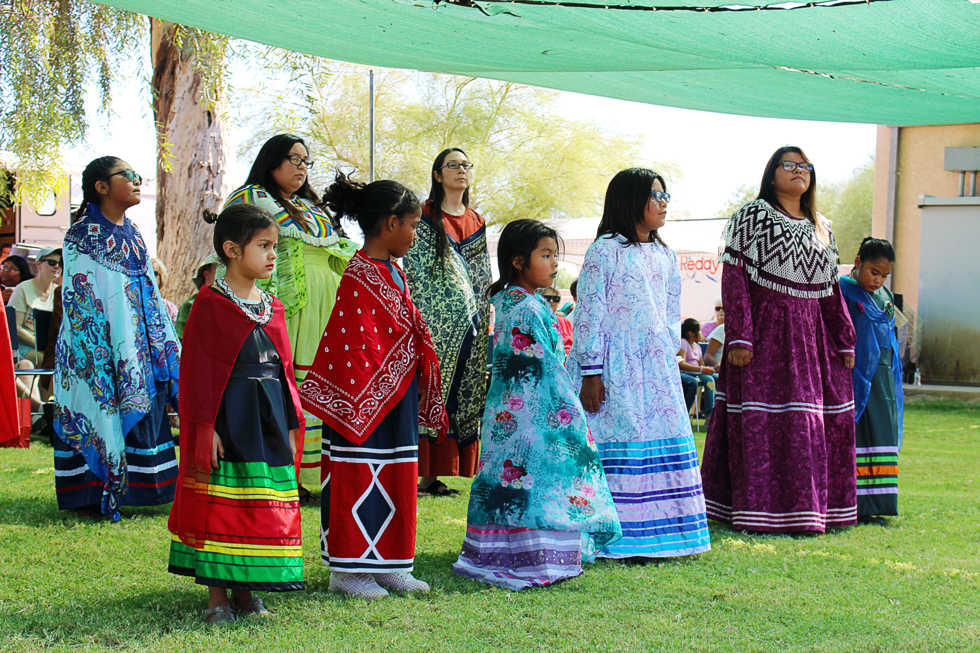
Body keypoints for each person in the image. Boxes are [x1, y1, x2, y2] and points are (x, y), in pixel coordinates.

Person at [301, 172, 448, 600]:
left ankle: (392, 565)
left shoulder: (393, 272)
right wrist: (375, 383)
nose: (416, 234)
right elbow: (357, 342)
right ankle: (348, 571)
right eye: (414, 225)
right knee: (359, 474)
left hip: (394, 395)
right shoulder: (359, 274)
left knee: (399, 473)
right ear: (390, 223)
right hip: (361, 401)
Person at [453, 220, 621, 590]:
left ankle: (503, 550)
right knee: (539, 477)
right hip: (533, 412)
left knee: (510, 476)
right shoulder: (525, 308)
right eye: (545, 255)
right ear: (518, 261)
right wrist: (568, 409)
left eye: (554, 256)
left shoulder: (512, 302)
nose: (554, 264)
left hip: (508, 413)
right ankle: (535, 553)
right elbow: (541, 366)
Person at [700, 146, 857, 534]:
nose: (799, 172)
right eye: (789, 165)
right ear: (772, 175)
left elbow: (831, 289)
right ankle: (759, 509)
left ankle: (810, 510)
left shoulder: (823, 225)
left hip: (812, 334)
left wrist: (843, 337)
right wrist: (740, 337)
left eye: (805, 166)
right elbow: (734, 279)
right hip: (766, 331)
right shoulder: (752, 216)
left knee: (808, 420)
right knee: (763, 418)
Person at [168, 204, 305, 624]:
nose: (271, 255)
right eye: (263, 246)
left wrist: (293, 420)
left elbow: (283, 370)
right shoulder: (209, 305)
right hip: (228, 419)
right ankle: (216, 598)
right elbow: (197, 375)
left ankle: (247, 592)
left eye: (274, 247)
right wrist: (204, 429)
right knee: (222, 505)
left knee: (260, 503)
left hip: (269, 421)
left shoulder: (274, 305)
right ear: (231, 249)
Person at [567, 168, 711, 560]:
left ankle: (663, 536)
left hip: (657, 370)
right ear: (631, 200)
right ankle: (615, 536)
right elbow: (590, 313)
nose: (664, 203)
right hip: (613, 369)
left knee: (662, 437)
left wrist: (669, 359)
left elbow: (669, 315)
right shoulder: (605, 250)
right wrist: (591, 371)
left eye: (666, 196)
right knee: (618, 437)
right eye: (655, 196)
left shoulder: (665, 254)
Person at [223, 134, 356, 499]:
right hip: (282, 307)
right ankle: (283, 470)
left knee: (315, 387)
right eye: (293, 159)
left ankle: (314, 473)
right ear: (271, 162)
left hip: (324, 306)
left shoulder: (311, 209)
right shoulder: (251, 199)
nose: (301, 167)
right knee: (283, 385)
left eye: (305, 161)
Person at [52, 157, 180, 520]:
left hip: (137, 344)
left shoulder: (135, 232)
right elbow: (81, 297)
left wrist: (156, 343)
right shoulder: (82, 234)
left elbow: (148, 292)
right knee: (100, 403)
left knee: (141, 399)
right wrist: (104, 349)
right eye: (128, 175)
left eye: (138, 175)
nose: (137, 180)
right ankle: (96, 489)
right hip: (94, 346)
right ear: (102, 187)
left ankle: (138, 490)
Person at [403, 148, 491, 497]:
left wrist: (479, 313)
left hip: (471, 321)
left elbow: (481, 274)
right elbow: (417, 268)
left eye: (465, 165)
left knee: (458, 394)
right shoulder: (423, 216)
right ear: (437, 175)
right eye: (452, 165)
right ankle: (415, 471)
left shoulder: (476, 220)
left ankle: (434, 476)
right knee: (429, 387)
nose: (461, 171)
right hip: (430, 320)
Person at [840, 237, 903, 522]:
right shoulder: (842, 290)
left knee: (881, 431)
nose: (878, 280)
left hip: (884, 376)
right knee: (859, 432)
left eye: (884, 275)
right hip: (852, 374)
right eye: (873, 272)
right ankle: (853, 502)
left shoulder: (885, 297)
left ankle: (879, 503)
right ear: (857, 262)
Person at [176, 254, 221, 339]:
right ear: (206, 274)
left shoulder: (234, 305)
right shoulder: (190, 305)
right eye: (219, 271)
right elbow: (180, 341)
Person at [678, 317, 716, 418]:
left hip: (698, 373)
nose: (700, 333)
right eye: (698, 330)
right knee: (709, 379)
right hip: (686, 372)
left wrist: (709, 369)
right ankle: (709, 414)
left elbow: (702, 365)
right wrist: (702, 370)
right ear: (691, 333)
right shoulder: (683, 343)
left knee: (717, 377)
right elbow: (682, 364)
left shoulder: (697, 346)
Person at [541, 286, 573, 357]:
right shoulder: (539, 320)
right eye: (547, 298)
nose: (551, 301)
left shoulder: (566, 322)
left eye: (556, 299)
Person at [150, 257, 179, 325]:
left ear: (161, 277)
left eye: (154, 274)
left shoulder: (170, 308)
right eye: (146, 274)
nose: (150, 278)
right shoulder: (134, 307)